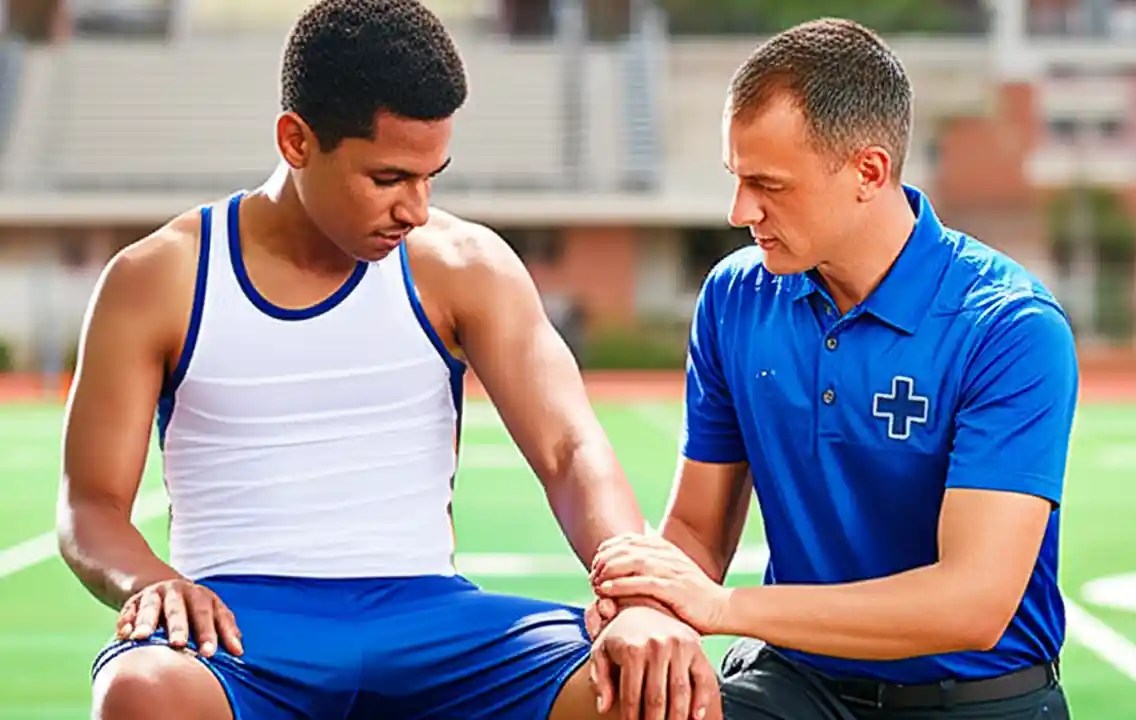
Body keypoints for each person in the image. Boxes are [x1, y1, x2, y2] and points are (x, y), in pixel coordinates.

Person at [56, 1, 720, 719]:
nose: (418, 208)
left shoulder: (465, 265)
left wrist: (637, 597)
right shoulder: (157, 278)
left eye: (432, 177)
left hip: (433, 619)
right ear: (296, 141)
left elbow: (569, 448)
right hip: (243, 630)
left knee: (654, 683)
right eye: (389, 178)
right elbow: (89, 505)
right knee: (140, 690)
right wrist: (150, 581)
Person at [585, 18, 1077, 720]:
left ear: (868, 173)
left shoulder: (1009, 326)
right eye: (737, 178)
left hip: (975, 699)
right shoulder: (735, 298)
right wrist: (646, 607)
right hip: (795, 685)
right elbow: (697, 529)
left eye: (768, 184)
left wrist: (725, 608)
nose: (739, 211)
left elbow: (972, 603)